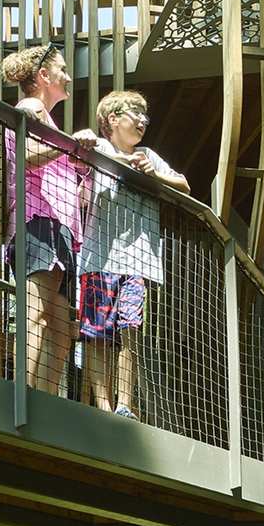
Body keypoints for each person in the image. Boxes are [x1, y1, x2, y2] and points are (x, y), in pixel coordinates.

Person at [78, 90, 188, 418]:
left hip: (138, 262)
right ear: (113, 120)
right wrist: (84, 144)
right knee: (96, 333)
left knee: (130, 328)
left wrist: (155, 176)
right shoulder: (98, 147)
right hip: (98, 258)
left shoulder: (148, 155)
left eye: (145, 116)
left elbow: (184, 184)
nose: (142, 121)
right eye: (135, 113)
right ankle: (103, 405)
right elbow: (78, 179)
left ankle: (125, 404)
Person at [1, 44, 94, 394]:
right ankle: (21, 397)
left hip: (60, 230)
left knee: (62, 329)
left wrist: (81, 162)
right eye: (63, 69)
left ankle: (43, 400)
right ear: (44, 76)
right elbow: (28, 156)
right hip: (36, 222)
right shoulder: (31, 106)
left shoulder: (48, 119)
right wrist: (72, 146)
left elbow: (69, 182)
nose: (68, 77)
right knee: (36, 315)